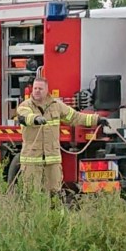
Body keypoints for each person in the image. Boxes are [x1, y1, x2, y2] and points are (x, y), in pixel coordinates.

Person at [14, 69, 98, 197]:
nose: (37, 91)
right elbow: (25, 116)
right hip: (31, 159)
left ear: (47, 90)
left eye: (40, 89)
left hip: (52, 159)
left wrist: (97, 119)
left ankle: (54, 217)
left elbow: (76, 117)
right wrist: (35, 119)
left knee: (55, 194)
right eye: (35, 88)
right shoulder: (25, 105)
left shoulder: (57, 106)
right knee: (31, 195)